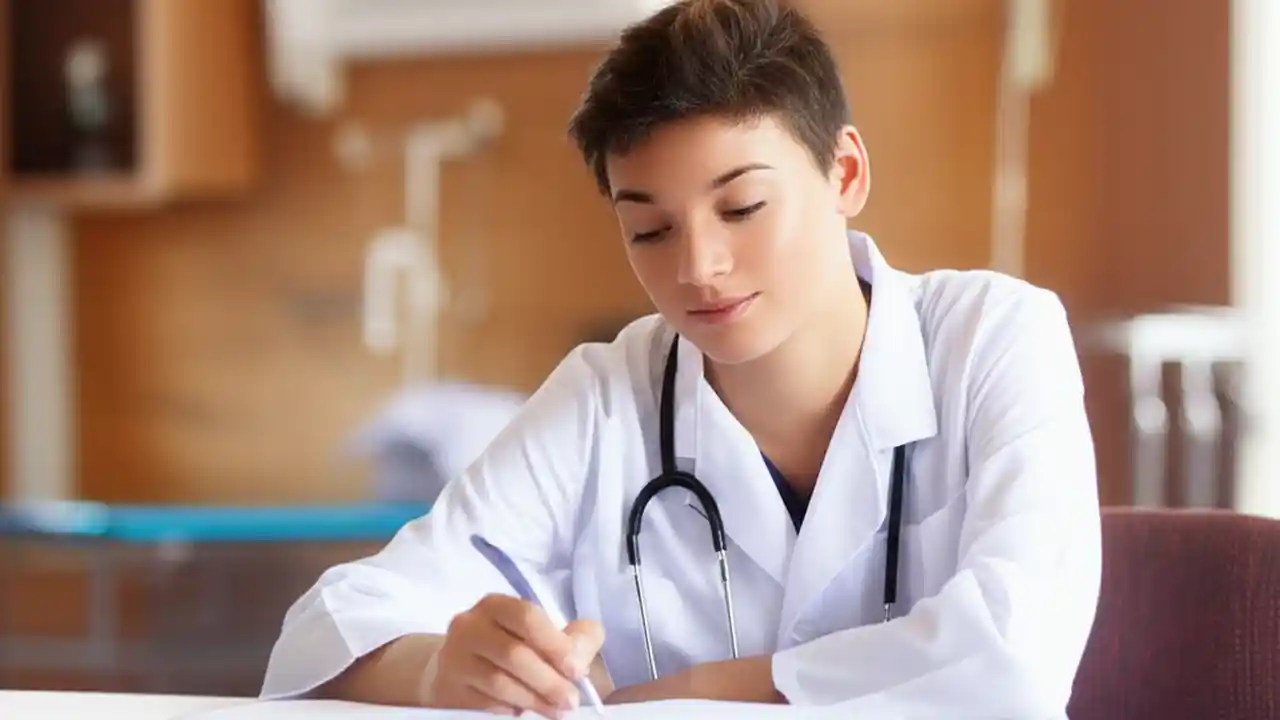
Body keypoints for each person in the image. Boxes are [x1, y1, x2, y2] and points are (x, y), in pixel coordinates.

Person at [261, 1, 1101, 717]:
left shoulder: (994, 337)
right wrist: (441, 668)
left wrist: (689, 693)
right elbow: (334, 625)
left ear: (844, 172)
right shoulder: (605, 398)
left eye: (741, 207)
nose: (697, 267)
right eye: (650, 230)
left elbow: (1015, 656)